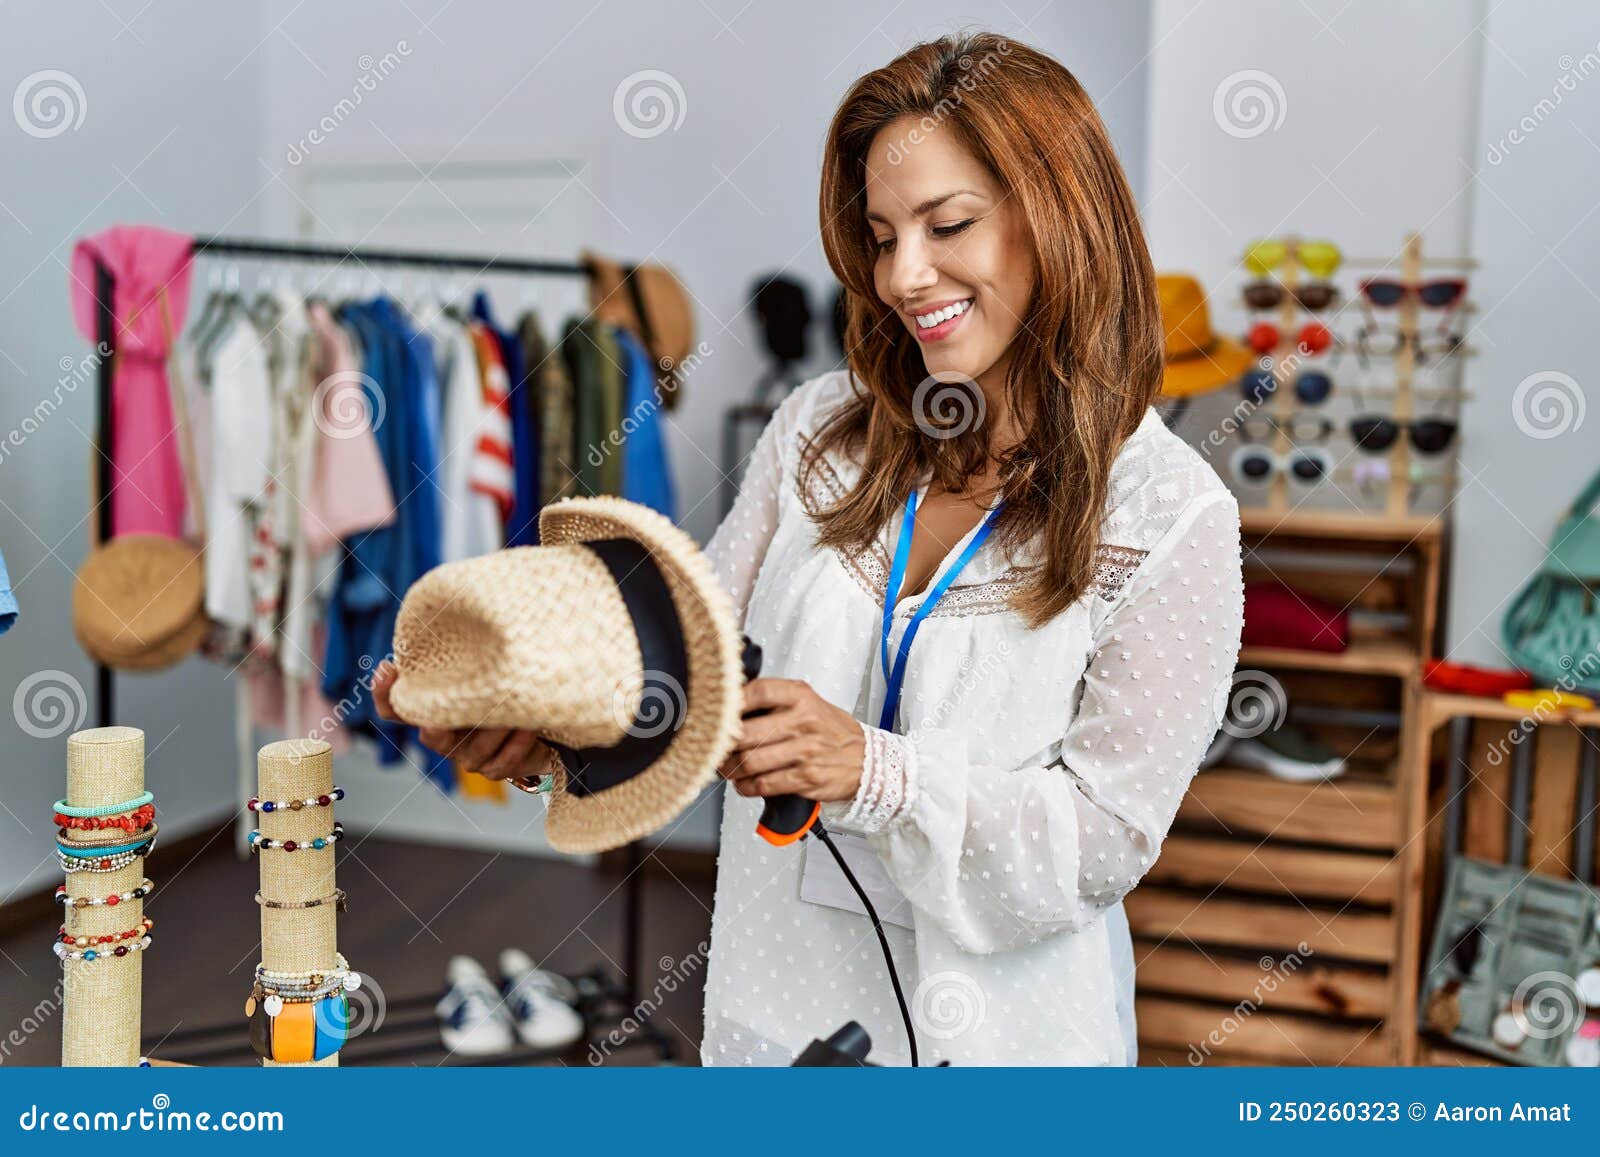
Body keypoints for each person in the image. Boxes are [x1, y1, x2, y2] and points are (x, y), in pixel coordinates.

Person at [375, 30, 1244, 1066]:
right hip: (780, 1010)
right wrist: (551, 733)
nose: (902, 275)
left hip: (1007, 1042)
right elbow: (688, 669)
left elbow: (1104, 838)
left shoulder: (1168, 516)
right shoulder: (820, 434)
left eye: (946, 223)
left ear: (1059, 220)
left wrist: (873, 770)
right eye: (879, 236)